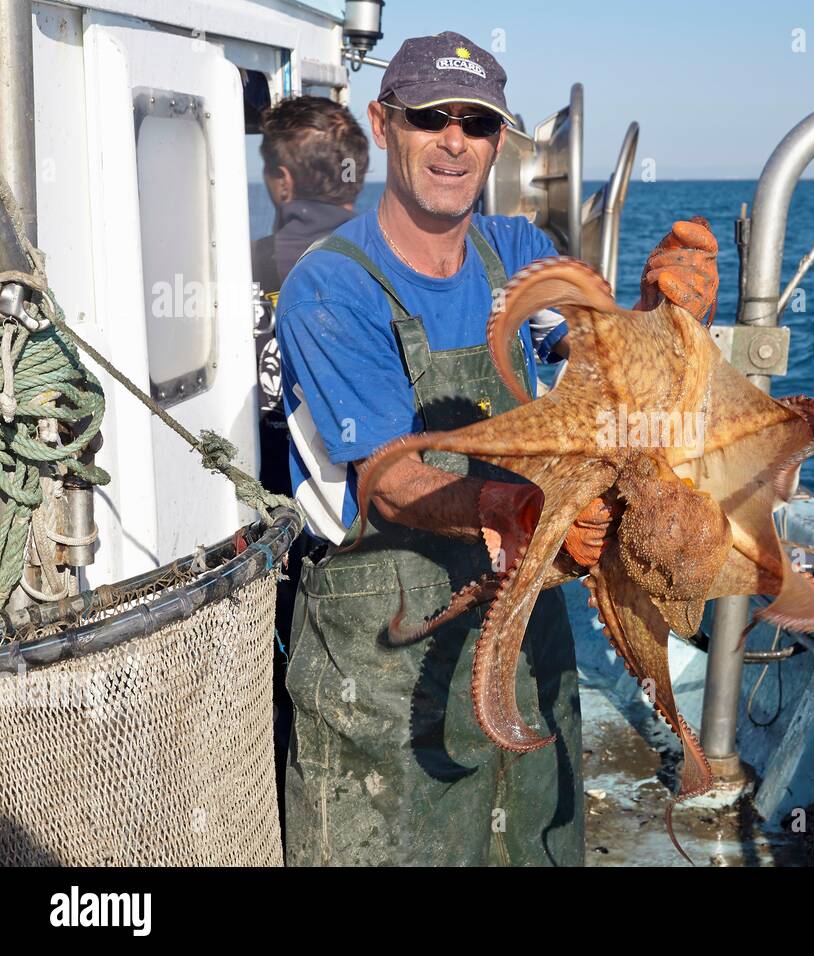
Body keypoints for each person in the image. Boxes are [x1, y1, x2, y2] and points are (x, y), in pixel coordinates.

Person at [274, 31, 719, 866]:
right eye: (430, 118)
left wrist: (665, 315)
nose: (454, 140)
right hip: (381, 660)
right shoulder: (330, 286)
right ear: (382, 123)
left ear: (497, 141)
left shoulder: (516, 255)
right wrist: (512, 506)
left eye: (476, 123)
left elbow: (598, 360)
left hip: (529, 640)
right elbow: (390, 478)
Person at [250, 95, 371, 830]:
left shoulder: (239, 262)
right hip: (361, 533)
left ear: (284, 182)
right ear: (355, 184)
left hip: (257, 521)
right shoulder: (384, 267)